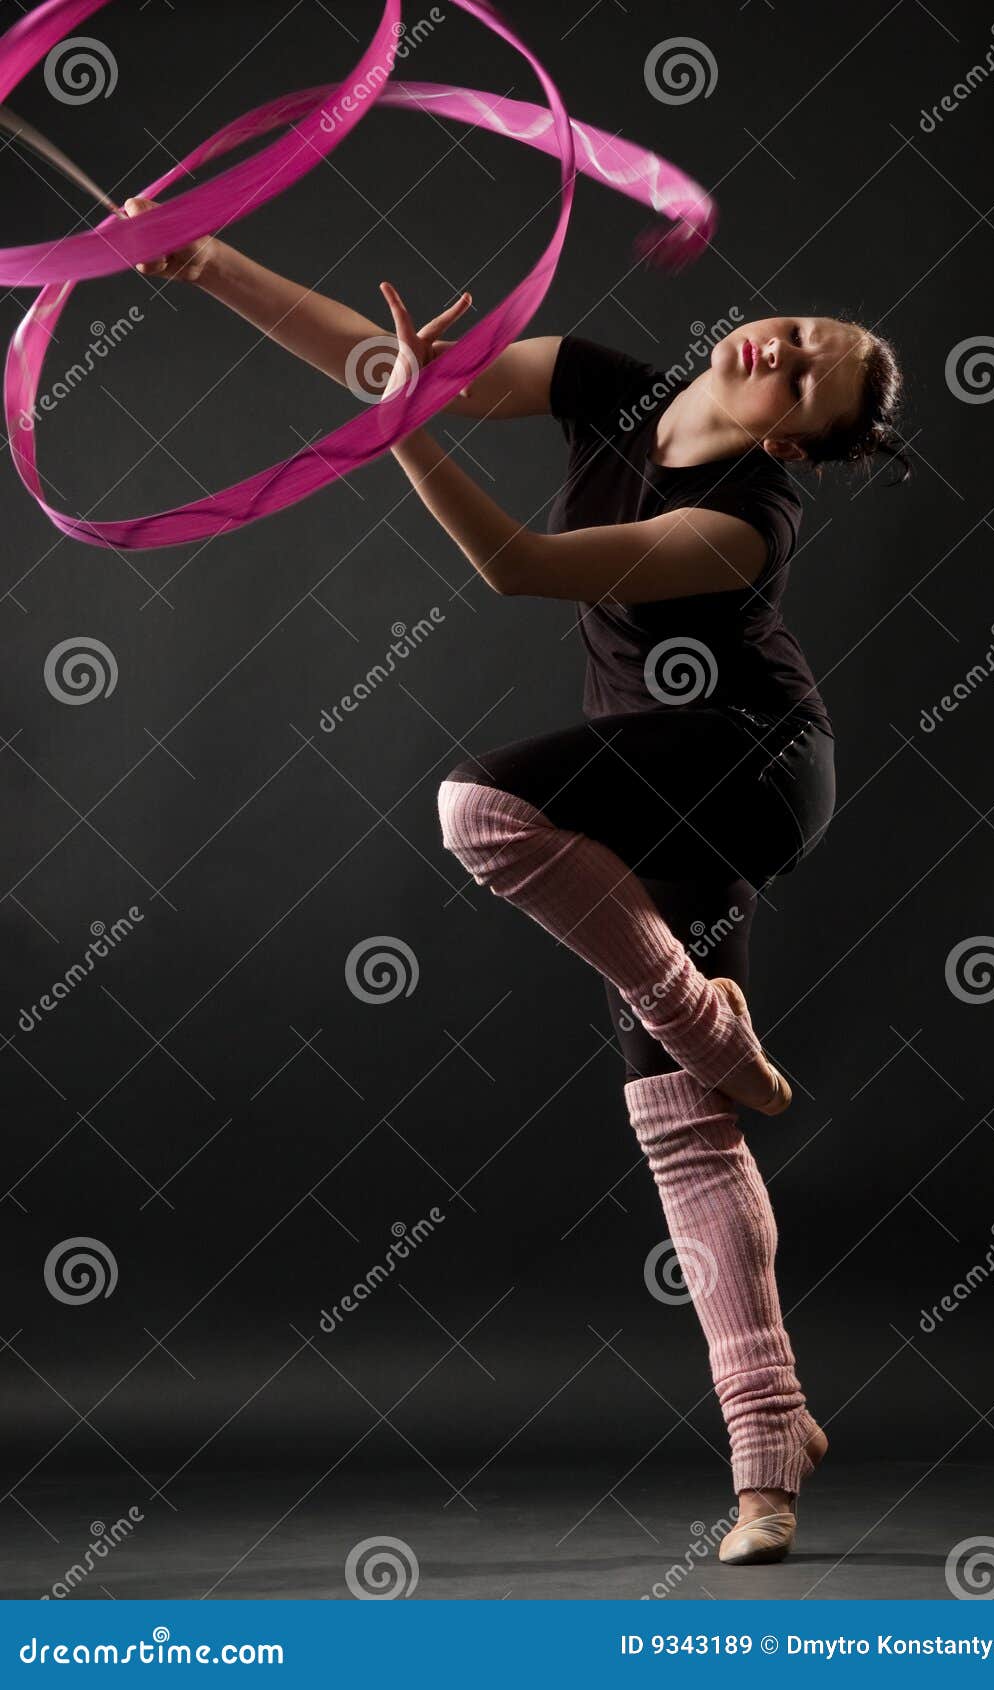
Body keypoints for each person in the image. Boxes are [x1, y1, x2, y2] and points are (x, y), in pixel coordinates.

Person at [124, 196, 909, 1565]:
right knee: (682, 1122)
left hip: (750, 767)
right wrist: (206, 262)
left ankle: (706, 1017)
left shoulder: (749, 519)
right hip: (639, 776)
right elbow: (392, 367)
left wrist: (405, 433)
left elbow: (515, 565)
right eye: (802, 328)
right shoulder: (612, 383)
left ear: (791, 436)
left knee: (480, 808)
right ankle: (771, 1442)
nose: (780, 345)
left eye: (806, 373)